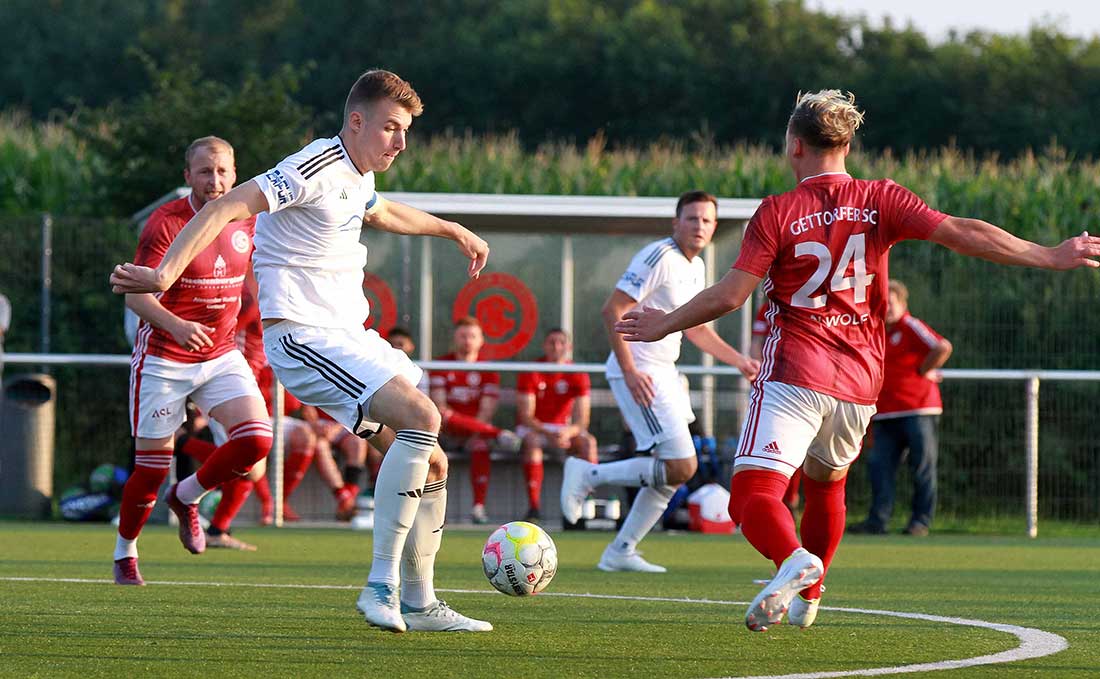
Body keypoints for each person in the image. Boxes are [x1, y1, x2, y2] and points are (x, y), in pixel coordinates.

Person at [614, 90, 1100, 631]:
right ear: (846, 144)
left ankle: (794, 560)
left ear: (794, 145)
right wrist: (1048, 255)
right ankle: (810, 597)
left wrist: (661, 322)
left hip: (796, 371)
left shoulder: (777, 210)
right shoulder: (882, 198)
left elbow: (731, 294)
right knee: (827, 484)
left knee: (752, 495)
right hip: (862, 382)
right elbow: (963, 232)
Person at [110, 69, 492, 633]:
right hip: (302, 336)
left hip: (350, 336)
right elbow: (224, 209)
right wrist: (164, 275)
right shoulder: (315, 164)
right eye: (391, 128)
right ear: (356, 122)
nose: (400, 142)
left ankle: (420, 600)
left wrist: (453, 228)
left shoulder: (357, 176)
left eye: (405, 130)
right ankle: (381, 587)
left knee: (432, 457)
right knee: (423, 416)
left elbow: (384, 212)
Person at [560, 190, 760, 573]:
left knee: (675, 470)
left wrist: (739, 361)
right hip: (641, 370)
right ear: (676, 222)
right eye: (691, 218)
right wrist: (631, 372)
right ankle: (587, 473)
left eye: (706, 220)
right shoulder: (659, 257)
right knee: (680, 464)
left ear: (714, 227)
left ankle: (621, 549)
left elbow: (697, 328)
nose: (699, 225)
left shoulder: (696, 267)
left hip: (665, 373)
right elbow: (612, 309)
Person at [113, 135, 269, 583]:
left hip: (220, 355)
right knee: (149, 470)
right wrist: (177, 325)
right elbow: (135, 299)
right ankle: (126, 552)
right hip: (164, 358)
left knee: (256, 441)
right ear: (188, 177)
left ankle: (187, 496)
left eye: (222, 171)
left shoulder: (250, 220)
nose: (215, 180)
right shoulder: (166, 223)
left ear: (235, 173)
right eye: (204, 171)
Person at [849, 279, 952, 536]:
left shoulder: (911, 326)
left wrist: (924, 370)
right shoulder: (874, 332)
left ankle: (920, 521)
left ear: (903, 304)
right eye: (885, 303)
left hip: (918, 409)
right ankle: (877, 520)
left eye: (892, 303)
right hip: (884, 413)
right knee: (879, 467)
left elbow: (942, 346)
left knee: (922, 466)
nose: (889, 309)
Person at [429, 316, 518, 524]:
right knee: (433, 433)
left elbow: (486, 411)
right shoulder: (441, 364)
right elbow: (440, 409)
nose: (467, 340)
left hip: (475, 434)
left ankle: (478, 508)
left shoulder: (488, 370)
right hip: (445, 432)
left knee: (480, 446)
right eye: (463, 335)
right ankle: (499, 434)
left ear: (481, 340)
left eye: (472, 336)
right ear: (455, 338)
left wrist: (472, 432)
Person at [515, 328, 598, 522]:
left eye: (561, 342)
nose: (556, 347)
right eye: (551, 342)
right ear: (544, 346)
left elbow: (582, 419)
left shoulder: (577, 373)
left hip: (563, 429)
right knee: (533, 443)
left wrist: (569, 432)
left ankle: (586, 506)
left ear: (569, 347)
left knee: (589, 443)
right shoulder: (532, 371)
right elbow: (526, 416)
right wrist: (548, 432)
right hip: (537, 429)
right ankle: (534, 508)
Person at [750, 301, 803, 515]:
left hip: (805, 387)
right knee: (770, 449)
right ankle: (769, 502)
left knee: (801, 451)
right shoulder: (770, 305)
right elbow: (756, 343)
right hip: (774, 387)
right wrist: (758, 374)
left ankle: (790, 500)